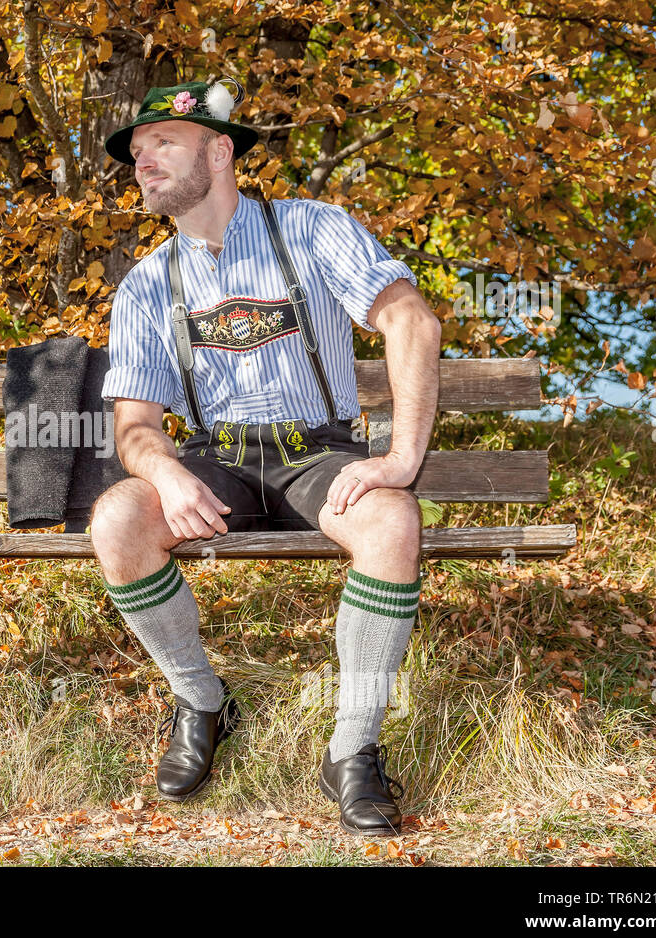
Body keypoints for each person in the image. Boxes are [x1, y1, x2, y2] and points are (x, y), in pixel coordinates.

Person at [93, 79, 442, 835]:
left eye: (163, 144)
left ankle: (353, 750)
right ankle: (202, 701)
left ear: (220, 151)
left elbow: (410, 321)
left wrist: (400, 458)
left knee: (392, 523)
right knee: (119, 516)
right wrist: (165, 471)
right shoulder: (148, 284)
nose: (142, 161)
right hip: (218, 461)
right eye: (137, 151)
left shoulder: (313, 230)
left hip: (318, 456)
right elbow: (136, 430)